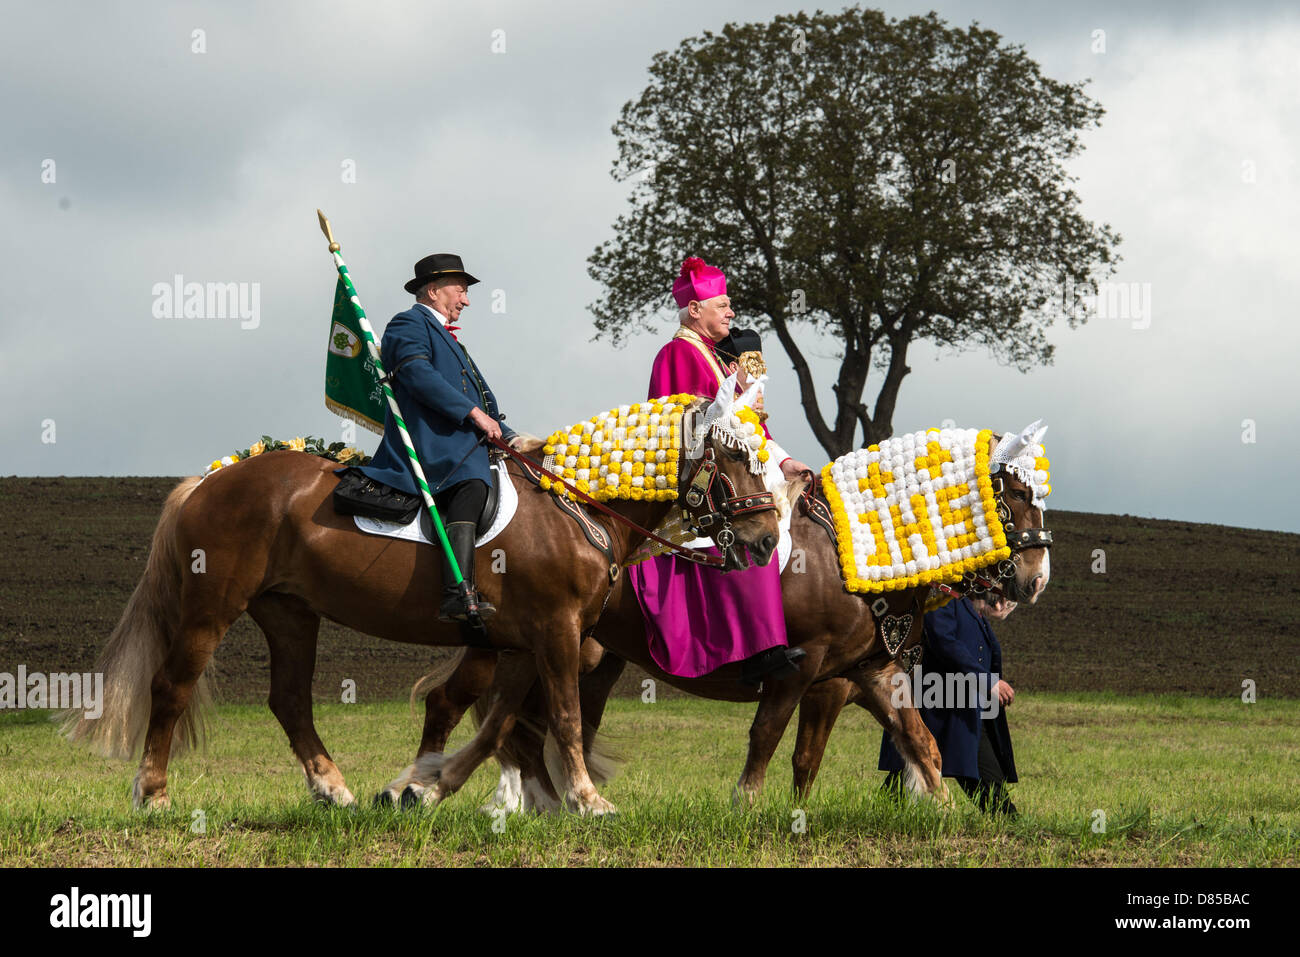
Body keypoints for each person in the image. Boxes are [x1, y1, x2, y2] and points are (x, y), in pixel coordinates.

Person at [626, 256, 813, 685]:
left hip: (744, 467)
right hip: (707, 484)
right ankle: (757, 651)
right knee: (752, 533)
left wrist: (783, 460)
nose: (731, 312)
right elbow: (693, 432)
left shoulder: (726, 354)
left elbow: (753, 425)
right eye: (723, 304)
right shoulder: (677, 353)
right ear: (695, 310)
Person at [353, 253, 515, 622]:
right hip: (432, 442)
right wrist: (474, 415)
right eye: (460, 290)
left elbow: (481, 398)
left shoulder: (451, 340)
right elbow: (417, 375)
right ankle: (457, 593)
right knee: (471, 484)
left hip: (461, 439)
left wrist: (510, 435)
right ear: (433, 290)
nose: (466, 299)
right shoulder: (407, 323)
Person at [879, 595, 1019, 816]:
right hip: (938, 701)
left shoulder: (964, 599)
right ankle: (1008, 820)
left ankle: (1007, 817)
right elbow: (942, 639)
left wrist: (985, 609)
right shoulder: (941, 595)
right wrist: (986, 680)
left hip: (960, 702)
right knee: (918, 760)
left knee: (919, 761)